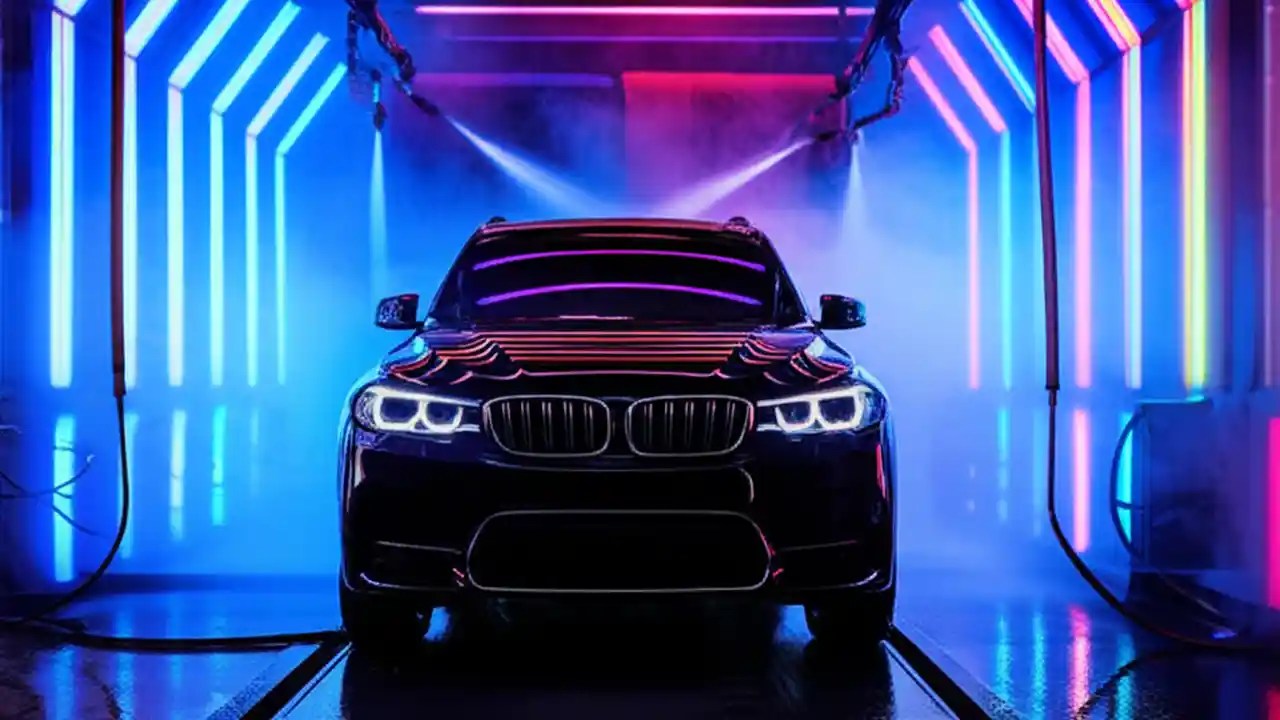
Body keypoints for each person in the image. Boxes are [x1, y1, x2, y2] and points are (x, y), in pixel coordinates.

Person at [345, 0, 439, 129]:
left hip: (373, 48)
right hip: (373, 49)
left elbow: (378, 37)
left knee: (384, 73)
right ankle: (391, 102)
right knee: (384, 72)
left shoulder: (360, 17)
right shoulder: (361, 17)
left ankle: (406, 100)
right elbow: (379, 37)